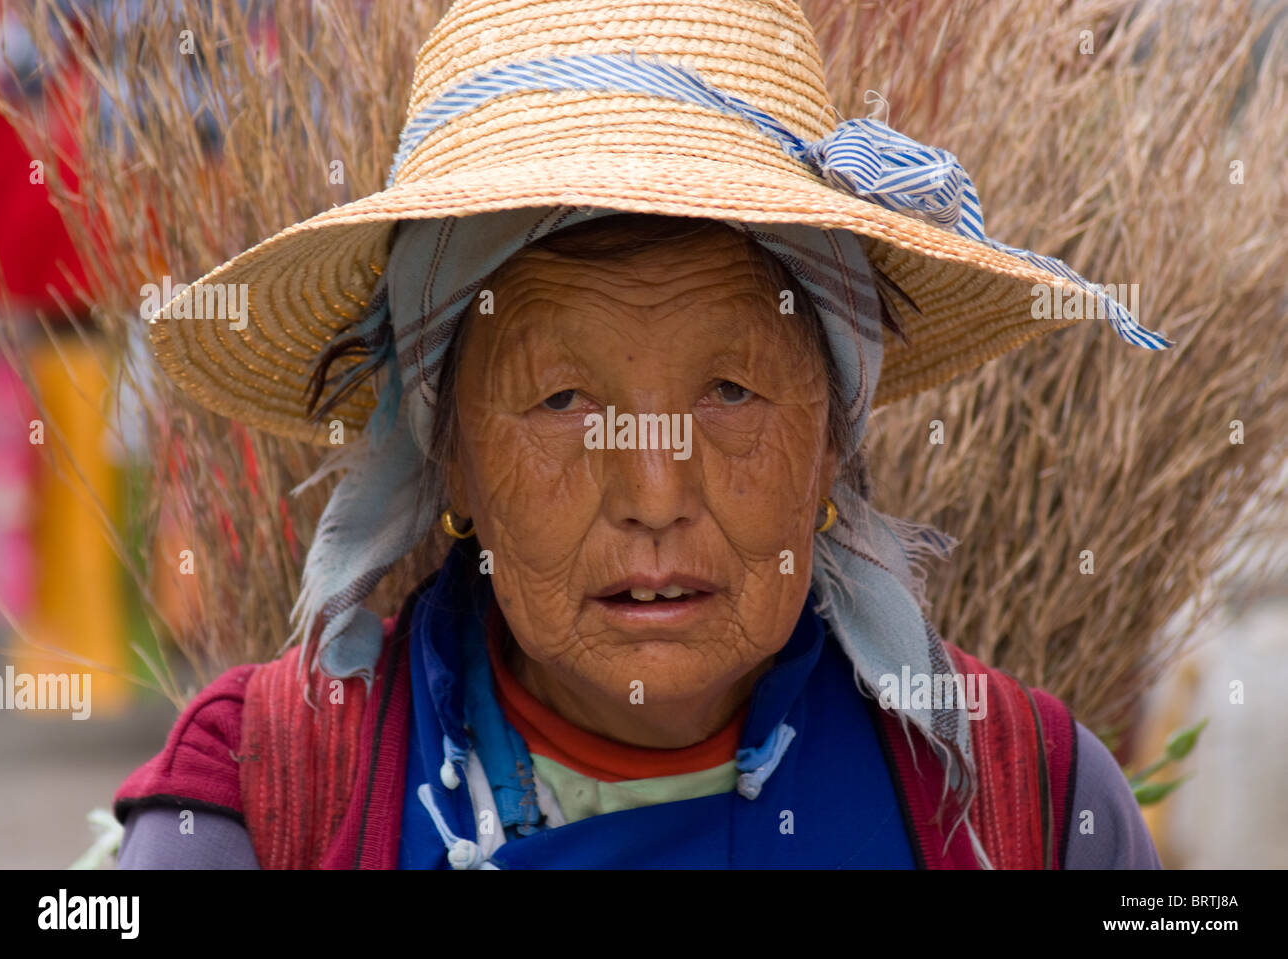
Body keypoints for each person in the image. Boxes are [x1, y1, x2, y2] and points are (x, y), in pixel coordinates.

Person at [114, 0, 1169, 869]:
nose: (655, 491)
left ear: (831, 444)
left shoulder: (1030, 805)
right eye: (561, 401)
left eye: (731, 389)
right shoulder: (258, 806)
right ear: (453, 459)